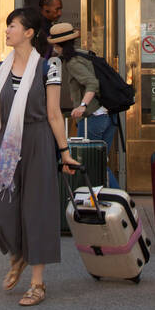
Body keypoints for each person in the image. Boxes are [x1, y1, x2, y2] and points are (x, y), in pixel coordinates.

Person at [0, 6, 81, 307]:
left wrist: (64, 152)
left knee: (37, 210)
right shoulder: (0, 69)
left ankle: (37, 283)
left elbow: (53, 114)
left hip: (37, 141)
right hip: (5, 144)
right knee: (1, 210)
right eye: (8, 25)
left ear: (29, 33)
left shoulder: (48, 68)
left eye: (13, 25)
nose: (7, 30)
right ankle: (18, 254)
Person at [46, 22, 119, 190]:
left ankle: (118, 197)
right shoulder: (83, 54)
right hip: (108, 115)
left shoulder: (72, 62)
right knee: (100, 161)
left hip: (94, 118)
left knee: (90, 161)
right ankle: (113, 198)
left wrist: (82, 106)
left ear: (58, 45)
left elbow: (92, 83)